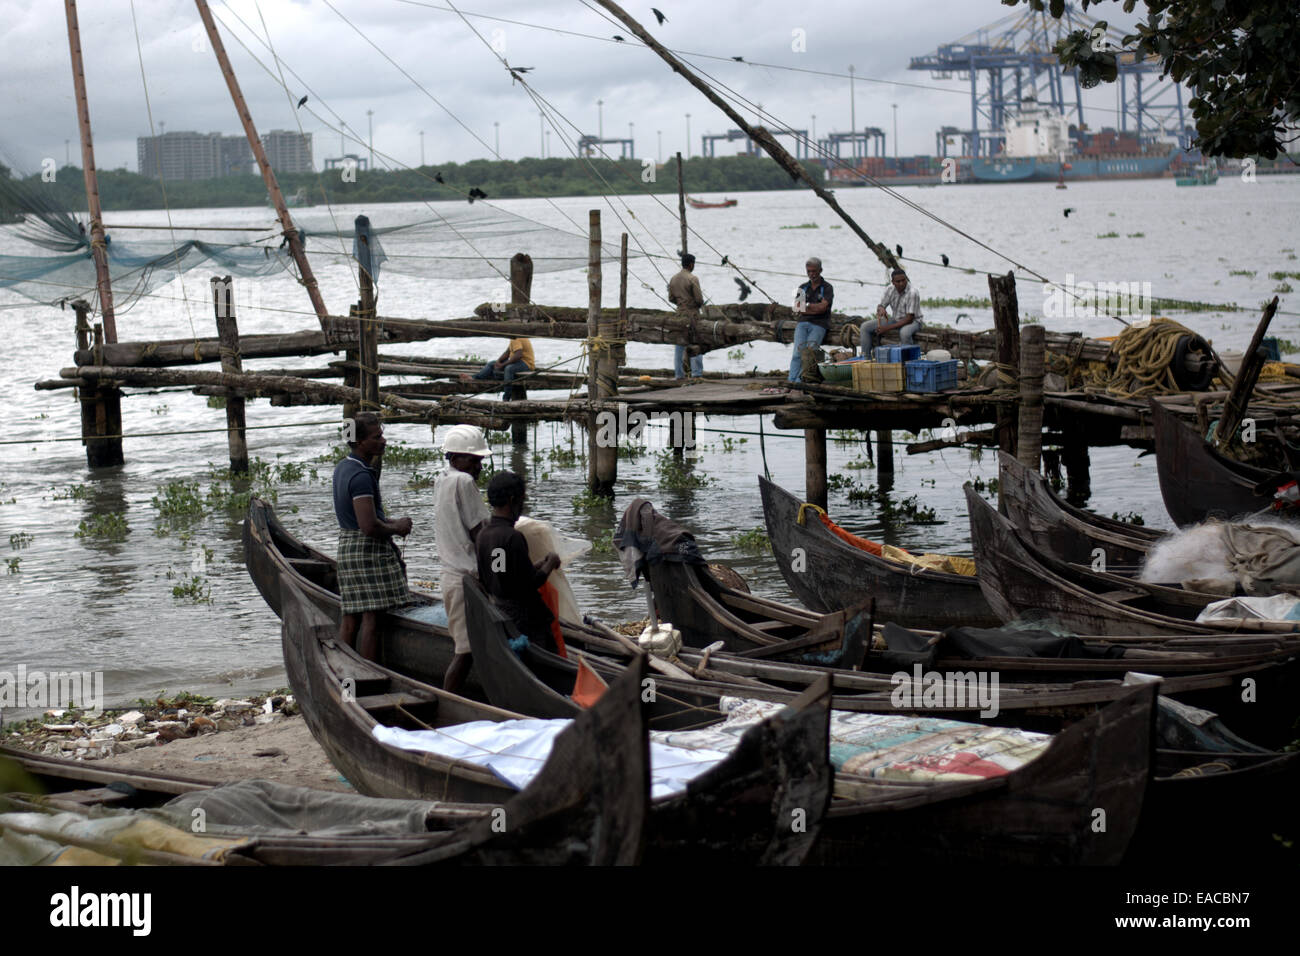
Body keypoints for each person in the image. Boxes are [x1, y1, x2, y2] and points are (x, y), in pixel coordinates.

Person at [332, 412, 413, 661]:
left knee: (350, 619)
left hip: (348, 546)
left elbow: (361, 519)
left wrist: (390, 521)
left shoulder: (343, 467)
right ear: (359, 442)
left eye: (383, 435)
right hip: (365, 551)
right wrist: (397, 528)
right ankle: (369, 674)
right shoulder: (361, 476)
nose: (384, 441)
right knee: (372, 620)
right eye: (377, 437)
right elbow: (368, 526)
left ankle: (344, 671)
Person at [433, 424, 491, 693]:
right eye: (474, 460)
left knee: (467, 647)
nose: (479, 467)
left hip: (450, 574)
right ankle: (448, 699)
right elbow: (479, 532)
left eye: (479, 461)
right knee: (465, 651)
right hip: (465, 578)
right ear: (455, 458)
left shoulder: (442, 479)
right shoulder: (463, 482)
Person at [475, 471, 561, 651]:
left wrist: (538, 564)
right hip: (526, 619)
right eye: (522, 500)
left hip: (501, 612)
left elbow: (502, 572)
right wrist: (551, 562)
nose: (522, 506)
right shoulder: (512, 537)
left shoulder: (484, 535)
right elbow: (532, 582)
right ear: (512, 500)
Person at [775, 257, 834, 388]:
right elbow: (797, 308)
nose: (811, 274)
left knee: (810, 352)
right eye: (809, 271)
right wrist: (814, 308)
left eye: (814, 271)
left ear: (820, 270)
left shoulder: (827, 288)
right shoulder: (802, 288)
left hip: (820, 324)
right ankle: (792, 381)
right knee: (797, 352)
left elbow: (823, 308)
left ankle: (802, 381)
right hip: (802, 324)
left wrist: (806, 307)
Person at [860, 269, 924, 357]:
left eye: (903, 280)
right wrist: (881, 308)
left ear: (906, 279)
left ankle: (908, 361)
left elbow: (909, 319)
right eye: (898, 281)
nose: (901, 283)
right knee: (865, 327)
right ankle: (865, 358)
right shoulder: (890, 289)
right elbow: (881, 305)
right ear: (893, 282)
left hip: (914, 322)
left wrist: (886, 328)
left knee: (904, 333)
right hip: (896, 319)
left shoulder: (913, 293)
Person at [667, 253, 705, 379]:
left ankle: (679, 374)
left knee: (679, 345)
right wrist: (694, 304)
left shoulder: (673, 279)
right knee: (696, 342)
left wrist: (681, 303)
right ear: (691, 264)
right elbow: (699, 300)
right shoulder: (693, 279)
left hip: (679, 315)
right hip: (692, 316)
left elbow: (671, 298)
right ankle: (696, 373)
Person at [461, 337, 535, 400]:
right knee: (491, 364)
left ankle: (506, 397)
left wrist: (503, 364)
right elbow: (507, 352)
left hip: (526, 364)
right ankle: (474, 378)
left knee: (509, 369)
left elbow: (518, 355)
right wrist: (498, 361)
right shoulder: (513, 339)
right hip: (517, 362)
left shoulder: (516, 338)